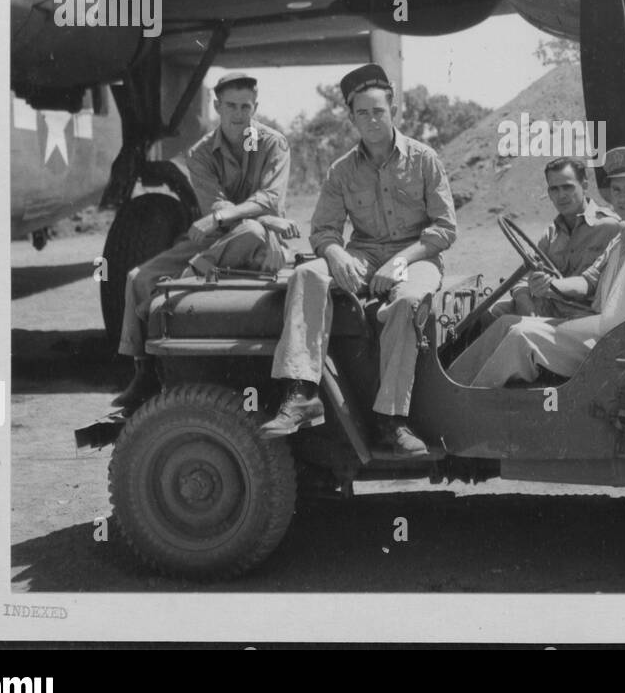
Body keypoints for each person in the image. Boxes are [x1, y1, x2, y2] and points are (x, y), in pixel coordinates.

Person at [260, 63, 456, 455]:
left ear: (394, 111)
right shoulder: (342, 170)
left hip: (413, 256)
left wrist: (397, 264)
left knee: (407, 301)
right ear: (351, 118)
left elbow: (444, 229)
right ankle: (301, 393)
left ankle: (391, 421)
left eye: (378, 111)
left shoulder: (423, 159)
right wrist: (334, 254)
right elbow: (324, 230)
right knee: (307, 275)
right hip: (362, 254)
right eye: (362, 113)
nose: (371, 120)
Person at [113, 72, 296, 409]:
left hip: (262, 239)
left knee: (254, 231)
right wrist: (238, 216)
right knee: (138, 278)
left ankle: (193, 272)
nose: (239, 114)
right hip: (218, 238)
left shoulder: (274, 144)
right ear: (216, 106)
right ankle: (143, 371)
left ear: (255, 107)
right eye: (231, 106)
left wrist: (244, 217)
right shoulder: (200, 153)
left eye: (246, 106)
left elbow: (270, 198)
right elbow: (216, 204)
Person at [448, 147, 625, 389]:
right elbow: (588, 280)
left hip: (614, 340)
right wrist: (551, 286)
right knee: (507, 323)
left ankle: (468, 402)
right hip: (602, 327)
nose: (622, 198)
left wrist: (560, 321)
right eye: (617, 190)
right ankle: (451, 385)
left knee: (521, 336)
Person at [489, 157, 625, 320]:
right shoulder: (551, 235)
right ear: (549, 193)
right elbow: (523, 279)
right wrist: (526, 305)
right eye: (554, 189)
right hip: (547, 310)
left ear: (585, 185)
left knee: (509, 324)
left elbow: (610, 289)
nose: (561, 195)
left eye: (568, 187)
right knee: (490, 313)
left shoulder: (611, 227)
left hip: (585, 317)